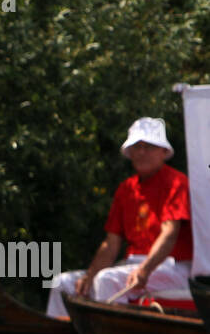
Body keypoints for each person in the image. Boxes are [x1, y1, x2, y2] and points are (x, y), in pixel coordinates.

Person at [46, 117, 193, 319]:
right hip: (131, 266)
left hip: (171, 268)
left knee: (107, 280)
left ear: (163, 152)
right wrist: (89, 275)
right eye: (137, 146)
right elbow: (111, 244)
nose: (142, 152)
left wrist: (145, 269)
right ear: (129, 152)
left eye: (149, 146)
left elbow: (169, 233)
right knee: (63, 283)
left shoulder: (177, 182)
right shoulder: (127, 189)